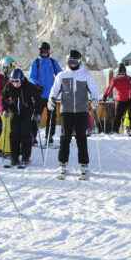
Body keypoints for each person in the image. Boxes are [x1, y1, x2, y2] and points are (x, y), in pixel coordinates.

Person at [47, 49, 100, 180]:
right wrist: (51, 99)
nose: (72, 64)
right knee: (65, 137)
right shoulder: (62, 75)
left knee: (81, 137)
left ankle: (83, 163)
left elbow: (93, 89)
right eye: (70, 61)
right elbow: (54, 89)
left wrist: (95, 99)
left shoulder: (86, 75)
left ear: (80, 61)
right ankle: (62, 163)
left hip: (82, 111)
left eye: (75, 61)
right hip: (66, 110)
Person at [0, 68, 39, 167]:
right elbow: (3, 97)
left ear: (21, 79)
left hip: (26, 112)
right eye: (12, 81)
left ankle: (25, 157)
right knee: (14, 135)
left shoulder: (29, 86)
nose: (15, 83)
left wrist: (37, 112)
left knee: (25, 134)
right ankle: (14, 157)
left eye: (17, 81)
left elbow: (37, 98)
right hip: (14, 112)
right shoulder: (9, 86)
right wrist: (5, 109)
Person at [28, 42, 62, 145]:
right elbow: (31, 77)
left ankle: (49, 136)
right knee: (36, 116)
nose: (44, 53)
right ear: (39, 52)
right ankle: (33, 136)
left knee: (52, 117)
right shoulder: (36, 63)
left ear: (49, 52)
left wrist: (59, 86)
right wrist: (37, 85)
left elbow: (60, 74)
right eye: (42, 51)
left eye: (46, 51)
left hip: (51, 96)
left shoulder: (52, 62)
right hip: (39, 95)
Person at [106, 64, 131, 135]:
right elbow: (110, 87)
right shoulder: (115, 79)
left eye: (123, 73)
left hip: (129, 99)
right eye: (120, 72)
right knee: (118, 115)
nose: (121, 74)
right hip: (120, 99)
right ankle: (115, 130)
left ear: (125, 72)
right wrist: (105, 95)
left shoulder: (129, 79)